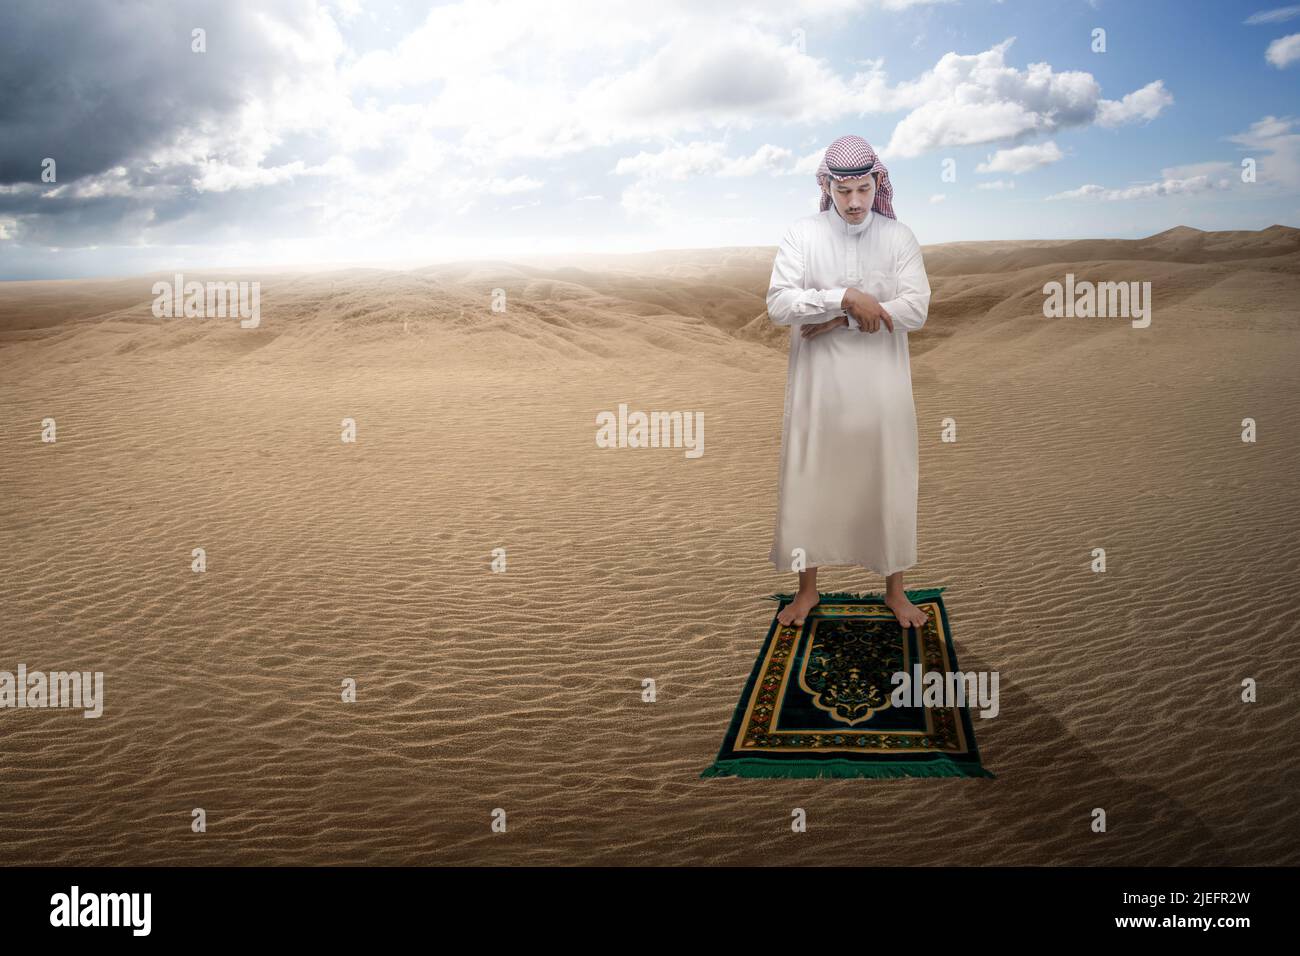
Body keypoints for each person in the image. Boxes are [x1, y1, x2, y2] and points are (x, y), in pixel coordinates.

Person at [766, 134, 932, 630]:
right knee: (810, 481)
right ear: (827, 187)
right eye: (844, 192)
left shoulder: (899, 237)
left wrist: (843, 316)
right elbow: (779, 304)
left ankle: (896, 592)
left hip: (882, 391)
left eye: (863, 189)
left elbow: (917, 309)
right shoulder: (802, 234)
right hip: (819, 389)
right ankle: (807, 591)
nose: (855, 202)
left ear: (876, 182)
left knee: (887, 480)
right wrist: (844, 295)